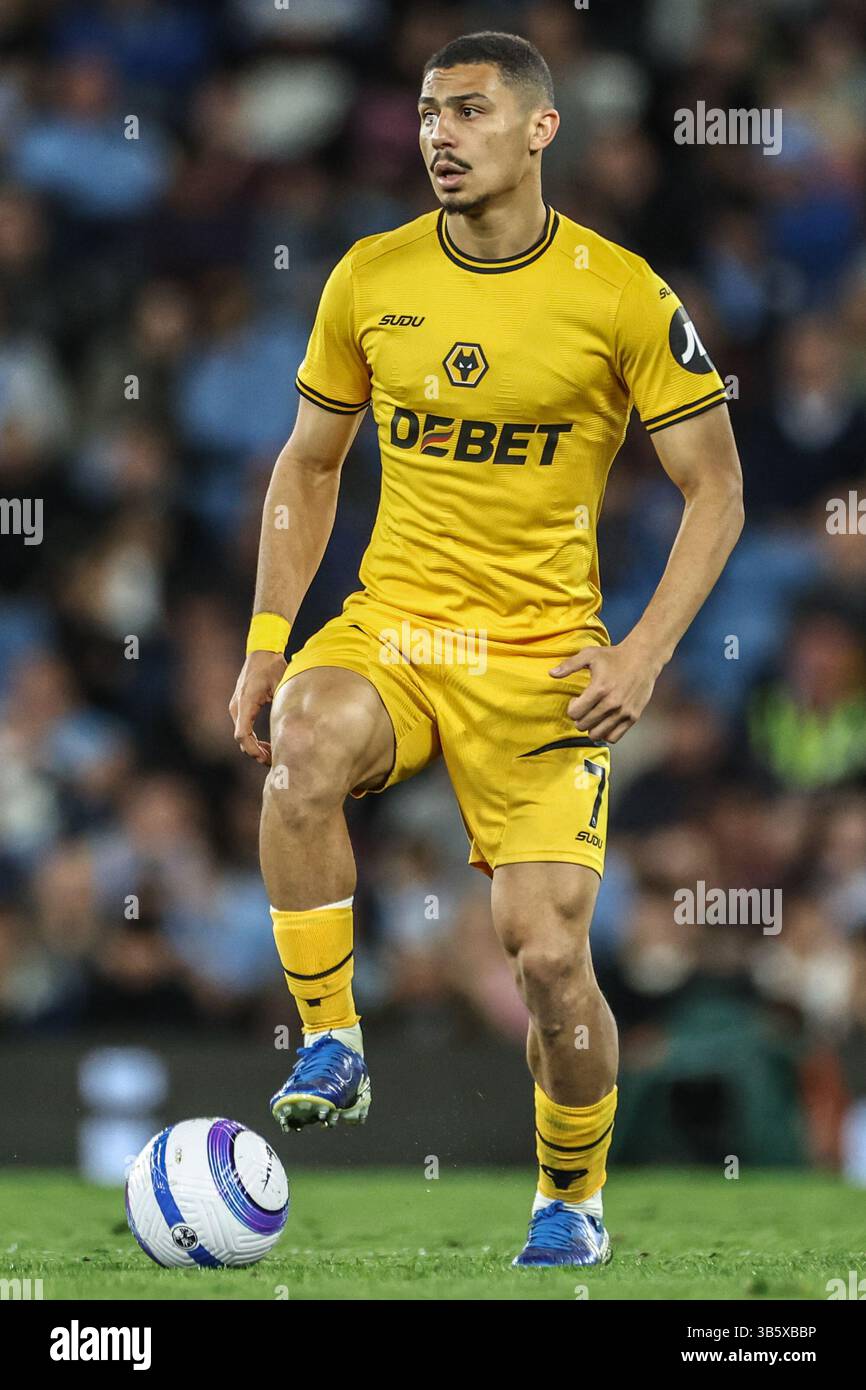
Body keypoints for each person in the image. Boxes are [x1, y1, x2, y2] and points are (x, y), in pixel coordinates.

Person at [229, 30, 744, 1269]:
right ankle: (330, 1039)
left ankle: (569, 1197)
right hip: (394, 627)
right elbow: (308, 462)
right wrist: (263, 643)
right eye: (424, 113)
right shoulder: (369, 274)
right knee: (298, 746)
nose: (438, 136)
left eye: (466, 111)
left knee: (552, 958)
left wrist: (643, 654)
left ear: (537, 129)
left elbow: (715, 489)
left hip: (544, 660)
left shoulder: (618, 292)